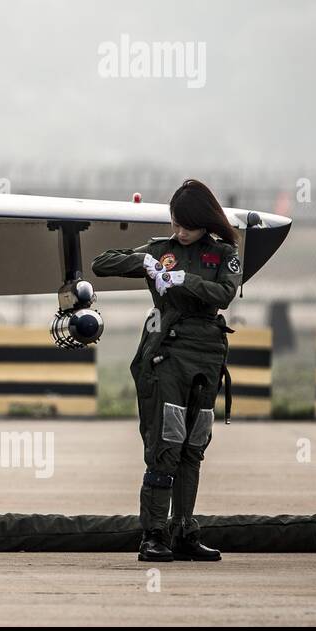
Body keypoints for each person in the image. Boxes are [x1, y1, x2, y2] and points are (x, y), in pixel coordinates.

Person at [92, 179, 243, 562]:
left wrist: (183, 280)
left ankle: (184, 531)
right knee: (165, 447)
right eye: (175, 224)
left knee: (193, 447)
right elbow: (100, 263)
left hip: (207, 356)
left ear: (204, 222)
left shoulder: (223, 254)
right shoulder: (161, 250)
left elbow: (225, 293)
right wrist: (140, 261)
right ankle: (154, 534)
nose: (180, 232)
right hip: (167, 357)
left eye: (187, 226)